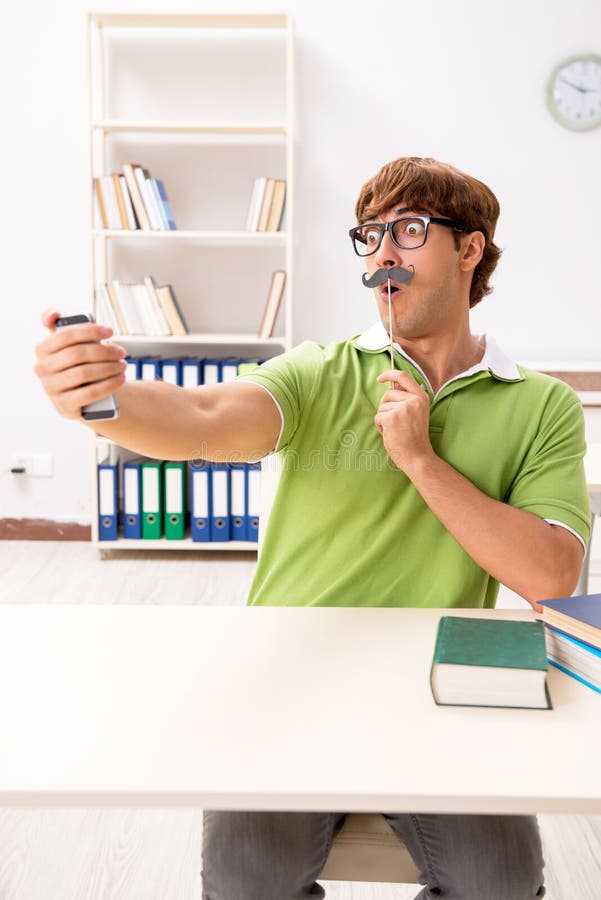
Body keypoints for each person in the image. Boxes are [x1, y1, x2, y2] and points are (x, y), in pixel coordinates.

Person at [35, 156, 590, 899]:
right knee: (244, 882)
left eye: (410, 229)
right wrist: (104, 395)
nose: (383, 251)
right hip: (286, 677)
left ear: (469, 250)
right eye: (369, 235)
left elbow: (551, 577)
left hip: (439, 686)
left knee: (500, 882)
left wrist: (421, 461)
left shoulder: (539, 405)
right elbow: (203, 420)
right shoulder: (317, 371)